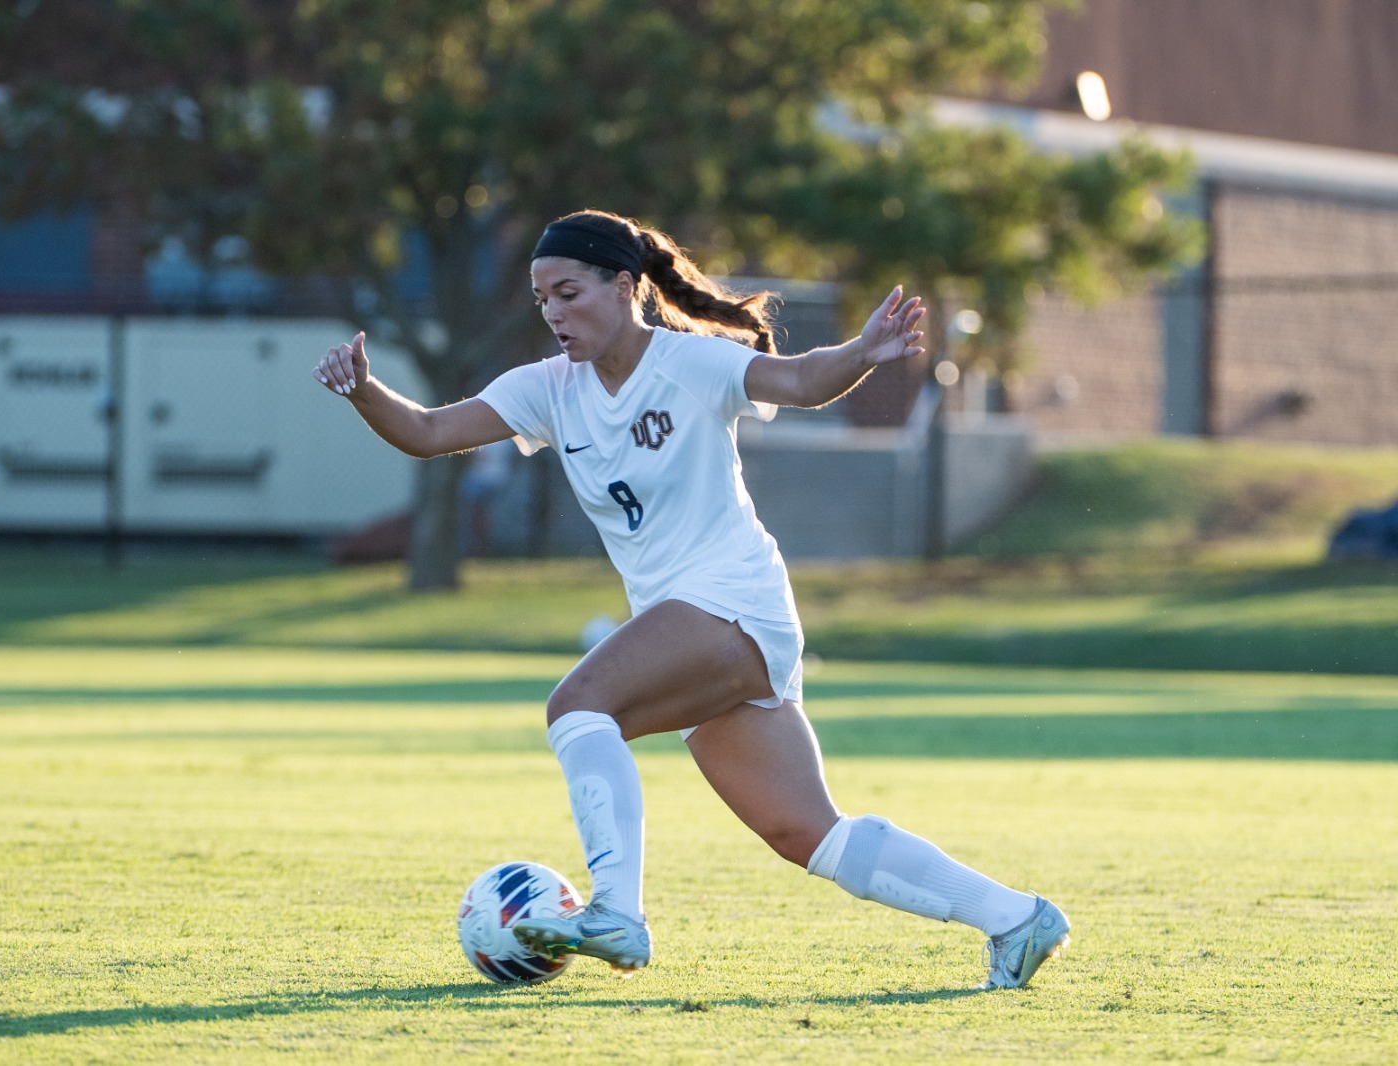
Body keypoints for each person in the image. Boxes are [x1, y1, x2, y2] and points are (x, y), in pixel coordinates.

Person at [313, 209, 1069, 990]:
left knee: (579, 705)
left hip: (734, 602)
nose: (555, 314)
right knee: (807, 833)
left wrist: (864, 352)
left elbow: (803, 380)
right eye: (543, 300)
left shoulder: (689, 364)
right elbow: (431, 431)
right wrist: (364, 389)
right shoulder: (548, 389)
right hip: (697, 627)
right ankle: (1016, 919)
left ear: (625, 285)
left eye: (570, 292)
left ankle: (617, 914)